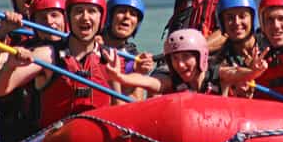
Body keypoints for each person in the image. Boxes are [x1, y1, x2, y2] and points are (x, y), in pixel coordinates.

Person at [0, 0, 137, 129]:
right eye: (78, 11)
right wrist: (10, 66)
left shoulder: (111, 58)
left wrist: (121, 78)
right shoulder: (47, 55)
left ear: (101, 19)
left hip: (98, 135)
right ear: (68, 18)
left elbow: (122, 115)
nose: (85, 17)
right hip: (55, 137)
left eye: (92, 11)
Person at [0, 0, 67, 142]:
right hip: (28, 130)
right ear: (34, 23)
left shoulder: (83, 48)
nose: (49, 22)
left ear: (66, 20)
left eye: (54, 15)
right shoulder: (26, 51)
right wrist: (1, 34)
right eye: (42, 18)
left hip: (71, 127)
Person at [105, 28, 267, 97]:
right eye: (175, 58)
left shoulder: (218, 74)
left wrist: (255, 71)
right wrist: (120, 77)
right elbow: (148, 81)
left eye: (186, 57)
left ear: (201, 56)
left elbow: (238, 73)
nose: (180, 65)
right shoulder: (172, 80)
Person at [212, 0, 269, 97]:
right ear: (222, 23)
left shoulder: (269, 45)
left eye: (242, 16)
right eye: (230, 18)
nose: (237, 22)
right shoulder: (219, 59)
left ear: (252, 19)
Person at [102, 0, 155, 101]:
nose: (127, 17)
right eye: (121, 11)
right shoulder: (89, 44)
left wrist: (139, 73)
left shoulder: (133, 59)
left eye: (133, 14)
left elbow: (136, 100)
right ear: (109, 17)